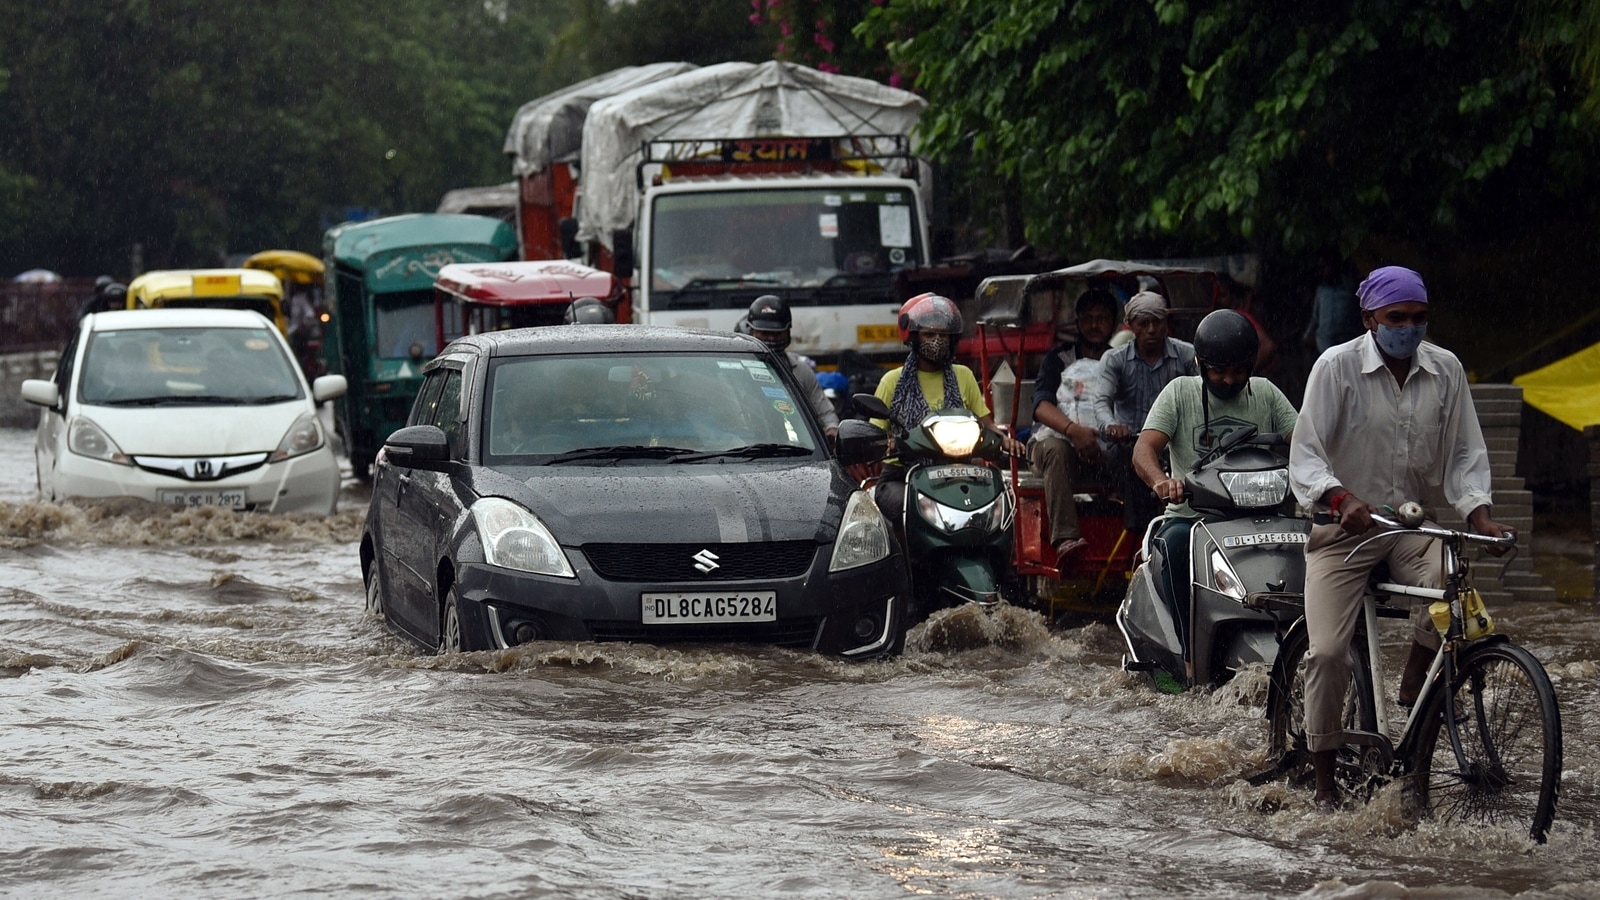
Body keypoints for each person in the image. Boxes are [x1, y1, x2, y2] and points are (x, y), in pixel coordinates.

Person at [1288, 265, 1512, 809]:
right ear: (1370, 319)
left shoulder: (1445, 369)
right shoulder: (1335, 367)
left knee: (1456, 589)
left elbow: (1465, 452)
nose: (1409, 328)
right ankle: (1323, 783)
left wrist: (1480, 516)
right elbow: (1306, 454)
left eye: (1419, 318)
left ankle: (1414, 681)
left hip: (1411, 526)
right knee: (1329, 654)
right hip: (1342, 532)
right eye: (1397, 318)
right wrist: (1341, 498)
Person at [1134, 309, 1298, 670]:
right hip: (1192, 520)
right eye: (1218, 371)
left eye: (1238, 371)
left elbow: (1304, 441)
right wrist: (1162, 482)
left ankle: (1304, 640)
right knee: (1176, 545)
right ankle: (1190, 653)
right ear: (1200, 364)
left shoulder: (1267, 393)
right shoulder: (1180, 392)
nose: (1228, 380)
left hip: (1263, 517)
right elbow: (1144, 449)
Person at [871, 292, 1024, 527]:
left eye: (943, 335)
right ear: (914, 337)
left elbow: (987, 425)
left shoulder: (964, 375)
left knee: (997, 510)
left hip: (960, 475)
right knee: (910, 510)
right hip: (903, 477)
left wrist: (1005, 441)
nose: (937, 341)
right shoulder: (892, 381)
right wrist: (889, 443)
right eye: (929, 334)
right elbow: (874, 436)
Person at [1091, 290, 1198, 533]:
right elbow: (1101, 402)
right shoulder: (1115, 359)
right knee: (1123, 457)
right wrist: (1111, 426)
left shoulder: (1186, 355)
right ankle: (1140, 529)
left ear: (1166, 323)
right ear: (1131, 325)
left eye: (1157, 322)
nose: (1151, 330)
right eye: (1143, 323)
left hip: (1176, 442)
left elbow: (1204, 394)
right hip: (1131, 443)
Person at [1028, 287, 1119, 564]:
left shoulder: (1120, 360)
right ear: (1078, 322)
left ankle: (1138, 535)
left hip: (1105, 450)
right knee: (1056, 449)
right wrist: (1074, 432)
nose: (1094, 325)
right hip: (1057, 446)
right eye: (1088, 318)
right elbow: (1041, 406)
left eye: (1102, 318)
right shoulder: (1059, 358)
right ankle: (1065, 538)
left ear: (1113, 324)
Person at [739, 294, 839, 440]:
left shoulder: (801, 371)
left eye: (777, 334)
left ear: (788, 332)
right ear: (751, 332)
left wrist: (832, 429)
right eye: (765, 333)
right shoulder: (735, 370)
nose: (771, 338)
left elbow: (825, 412)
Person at [1301, 250, 1364, 354]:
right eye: (1321, 267)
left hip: (1345, 340)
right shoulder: (1321, 291)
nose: (1324, 271)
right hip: (1324, 342)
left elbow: (1357, 314)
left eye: (1326, 266)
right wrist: (1307, 335)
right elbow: (1315, 317)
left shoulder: (1349, 289)